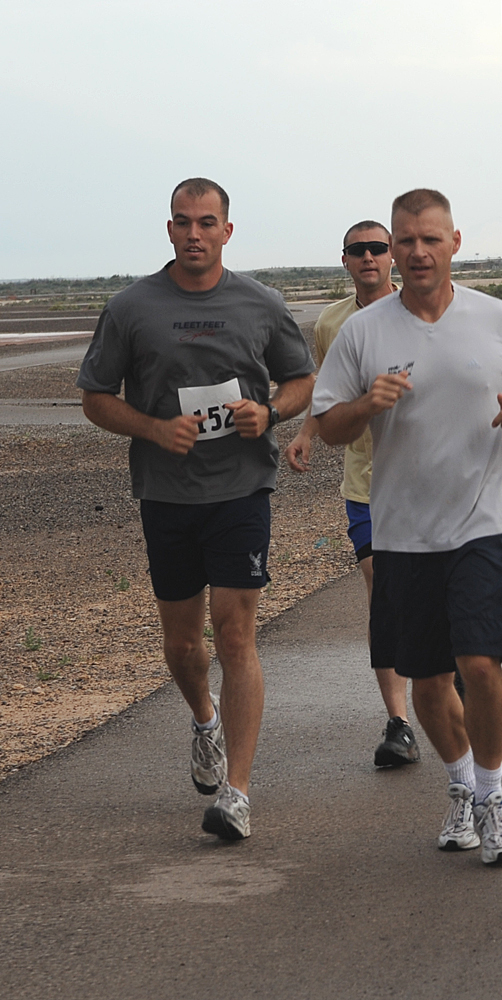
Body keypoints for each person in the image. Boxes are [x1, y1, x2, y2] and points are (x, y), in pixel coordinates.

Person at [312, 189, 502, 865]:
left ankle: (493, 796)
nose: (416, 252)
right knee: (425, 679)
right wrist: (367, 401)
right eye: (403, 241)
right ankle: (458, 787)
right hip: (401, 531)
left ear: (454, 242)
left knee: (480, 662)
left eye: (429, 239)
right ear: (391, 250)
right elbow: (329, 425)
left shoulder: (497, 319)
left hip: (484, 521)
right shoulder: (364, 332)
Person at [77, 178, 316, 841]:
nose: (194, 234)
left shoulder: (260, 304)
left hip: (241, 489)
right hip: (167, 495)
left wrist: (267, 412)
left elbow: (301, 381)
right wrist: (154, 430)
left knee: (236, 635)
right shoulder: (132, 308)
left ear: (227, 232)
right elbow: (95, 396)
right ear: (169, 229)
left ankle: (237, 792)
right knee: (184, 644)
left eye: (207, 223)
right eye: (183, 222)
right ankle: (204, 719)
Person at [285, 221, 420, 767]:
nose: (369, 257)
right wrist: (306, 432)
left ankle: (449, 671)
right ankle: (399, 722)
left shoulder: (419, 311)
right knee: (383, 595)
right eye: (358, 250)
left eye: (378, 248)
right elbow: (326, 389)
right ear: (345, 260)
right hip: (364, 482)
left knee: (433, 590)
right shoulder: (331, 322)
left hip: (425, 481)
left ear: (393, 256)